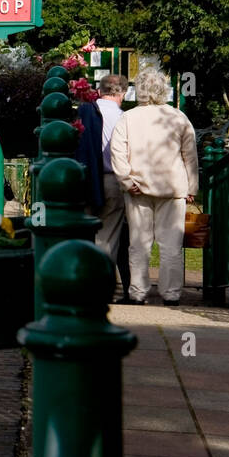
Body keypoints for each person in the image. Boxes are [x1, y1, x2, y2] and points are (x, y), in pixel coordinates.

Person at [109, 69, 198, 305]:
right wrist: (192, 187)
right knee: (171, 245)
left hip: (138, 187)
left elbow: (117, 153)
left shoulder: (127, 117)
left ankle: (137, 292)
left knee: (138, 243)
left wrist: (127, 181)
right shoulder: (178, 117)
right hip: (172, 187)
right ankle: (171, 294)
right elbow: (190, 156)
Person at [94, 75, 133, 299]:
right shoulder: (124, 118)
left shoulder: (85, 111)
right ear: (123, 93)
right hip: (113, 179)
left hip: (86, 179)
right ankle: (102, 288)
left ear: (100, 90)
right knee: (107, 237)